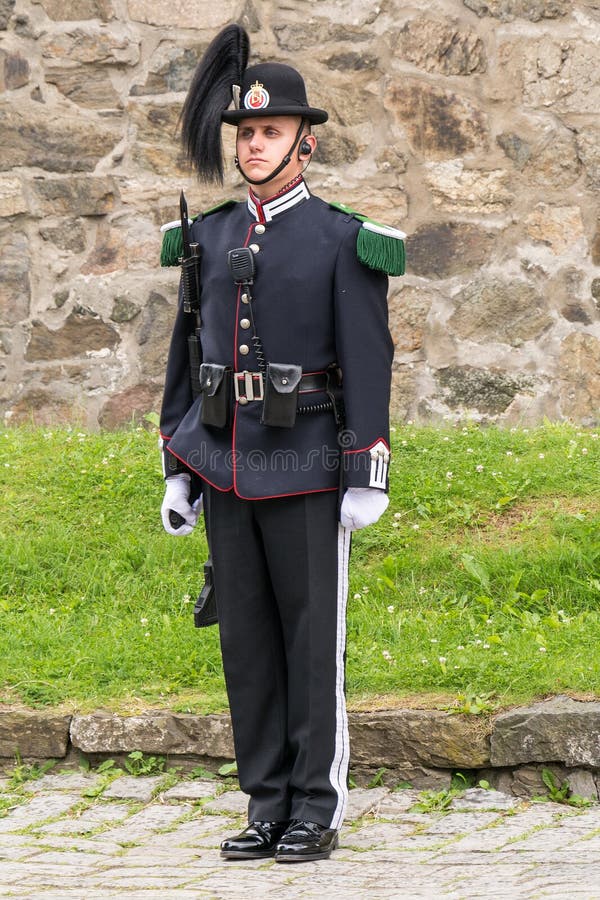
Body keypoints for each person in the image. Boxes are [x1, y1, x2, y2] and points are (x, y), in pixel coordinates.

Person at [158, 24, 404, 863]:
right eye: (245, 133)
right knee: (248, 647)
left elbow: (370, 360)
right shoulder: (213, 236)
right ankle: (265, 800)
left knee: (310, 646)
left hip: (305, 466)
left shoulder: (344, 239)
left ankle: (315, 805)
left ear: (304, 140)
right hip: (226, 467)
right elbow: (187, 360)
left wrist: (365, 466)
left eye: (269, 131)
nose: (254, 145)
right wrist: (179, 469)